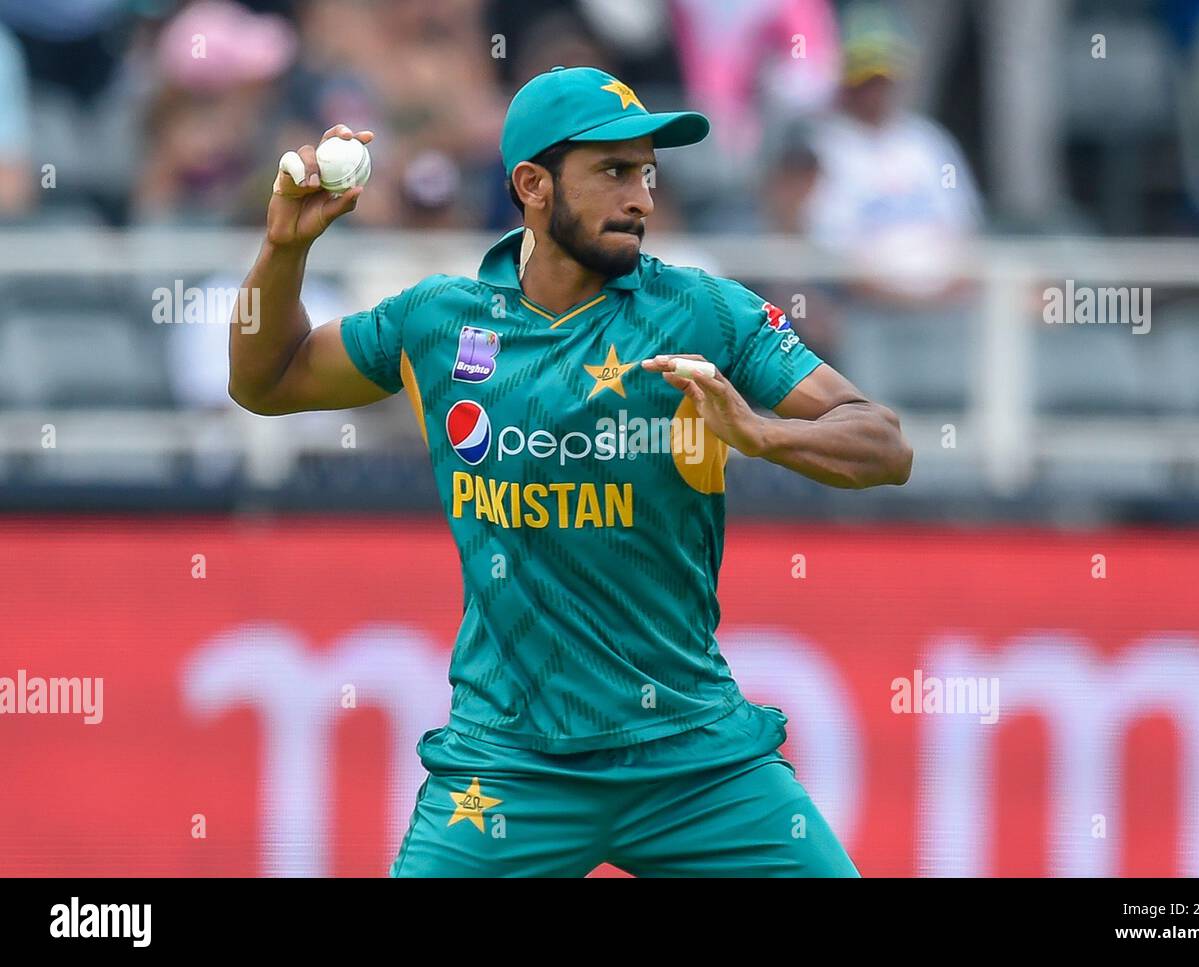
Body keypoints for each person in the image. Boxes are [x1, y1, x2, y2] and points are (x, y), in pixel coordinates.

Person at [228, 65, 911, 877]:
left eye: (648, 172)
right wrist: (283, 248)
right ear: (533, 185)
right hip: (510, 767)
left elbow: (883, 443)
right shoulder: (439, 320)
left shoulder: (705, 311)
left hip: (694, 759)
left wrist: (761, 436)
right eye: (614, 172)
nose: (644, 200)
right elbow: (264, 381)